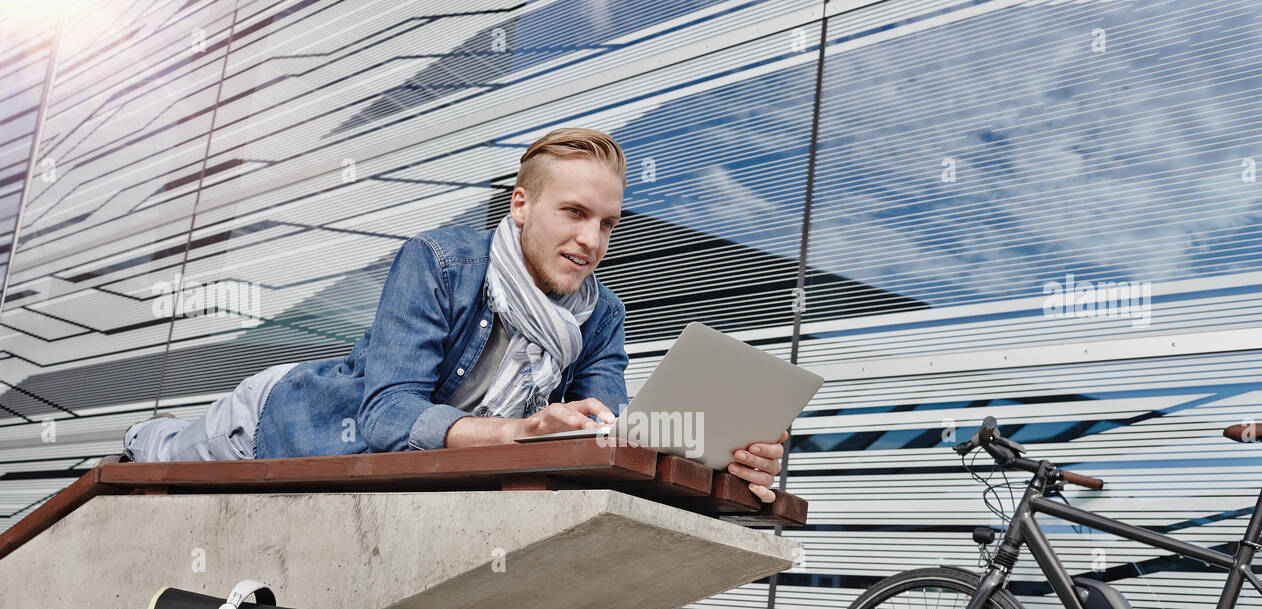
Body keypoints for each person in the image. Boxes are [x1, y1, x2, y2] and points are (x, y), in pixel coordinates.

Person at [122, 128, 787, 502]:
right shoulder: (439, 262)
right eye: (575, 214)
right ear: (521, 206)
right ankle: (130, 441)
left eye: (608, 224)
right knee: (153, 461)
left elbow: (603, 439)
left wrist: (723, 458)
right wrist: (522, 433)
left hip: (393, 481)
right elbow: (386, 419)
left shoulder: (600, 313)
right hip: (285, 423)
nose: (591, 241)